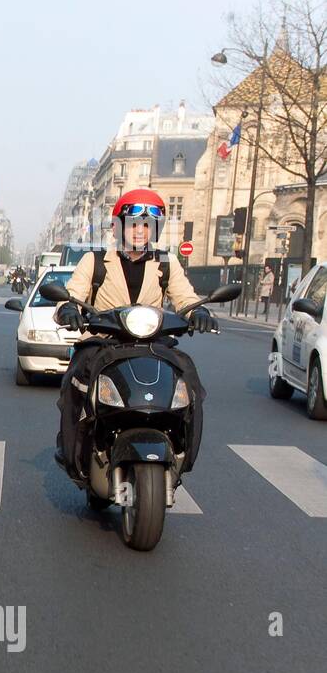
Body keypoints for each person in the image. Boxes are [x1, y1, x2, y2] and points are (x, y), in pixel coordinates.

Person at [54, 188, 215, 479]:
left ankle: (182, 450)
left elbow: (186, 298)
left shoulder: (166, 263)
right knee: (77, 378)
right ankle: (72, 450)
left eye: (146, 225)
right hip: (103, 343)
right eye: (133, 224)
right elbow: (72, 295)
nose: (140, 231)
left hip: (151, 344)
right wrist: (68, 310)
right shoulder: (94, 261)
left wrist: (199, 312)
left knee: (188, 376)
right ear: (119, 227)